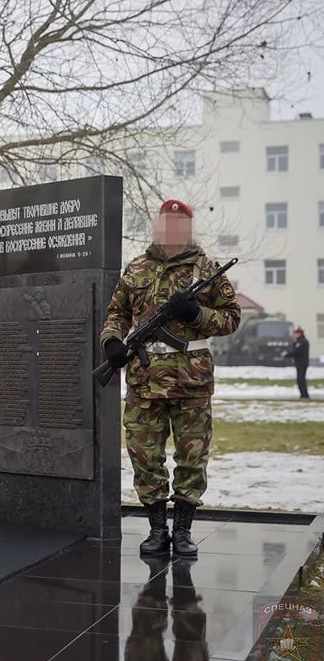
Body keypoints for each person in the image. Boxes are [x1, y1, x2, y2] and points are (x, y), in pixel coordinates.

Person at [100, 199, 240, 557]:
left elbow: (231, 318)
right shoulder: (135, 269)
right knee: (144, 456)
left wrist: (195, 312)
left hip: (191, 382)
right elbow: (116, 312)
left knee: (192, 457)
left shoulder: (206, 268)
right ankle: (157, 529)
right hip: (144, 381)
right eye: (168, 223)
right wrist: (113, 341)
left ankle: (182, 531)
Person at [282, 327, 310, 399]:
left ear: (299, 334)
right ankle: (303, 394)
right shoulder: (299, 342)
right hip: (299, 363)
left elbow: (296, 351)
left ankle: (304, 395)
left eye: (295, 334)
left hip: (302, 363)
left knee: (301, 379)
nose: (293, 335)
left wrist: (286, 355)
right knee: (300, 379)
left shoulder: (302, 342)